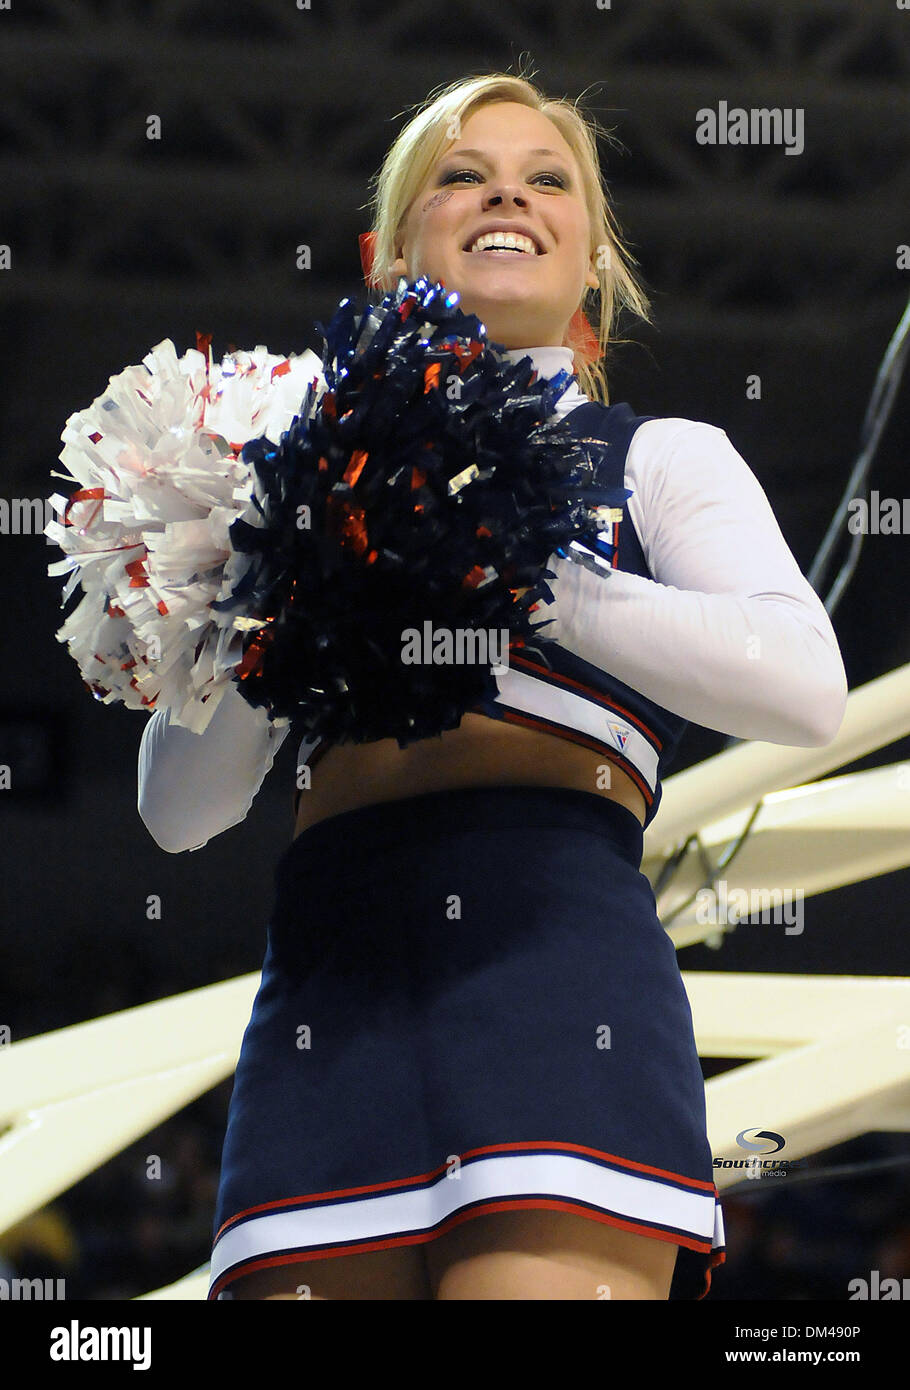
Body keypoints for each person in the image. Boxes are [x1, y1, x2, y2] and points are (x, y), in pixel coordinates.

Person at [137, 72, 848, 1300]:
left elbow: (804, 687)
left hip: (559, 975)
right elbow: (177, 809)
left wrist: (527, 573)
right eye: (462, 174)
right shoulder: (293, 474)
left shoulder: (660, 460)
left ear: (593, 258)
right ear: (389, 249)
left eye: (547, 178)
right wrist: (282, 553)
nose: (506, 191)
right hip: (329, 981)